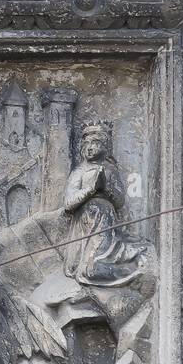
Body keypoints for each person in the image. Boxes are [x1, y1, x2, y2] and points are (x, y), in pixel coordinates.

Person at [61, 123, 145, 288]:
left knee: (102, 259)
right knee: (89, 268)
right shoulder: (79, 171)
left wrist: (108, 190)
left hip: (107, 224)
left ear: (105, 146)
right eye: (86, 144)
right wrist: (91, 189)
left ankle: (128, 269)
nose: (90, 148)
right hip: (87, 225)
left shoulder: (110, 170)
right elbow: (68, 204)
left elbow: (120, 201)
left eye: (95, 143)